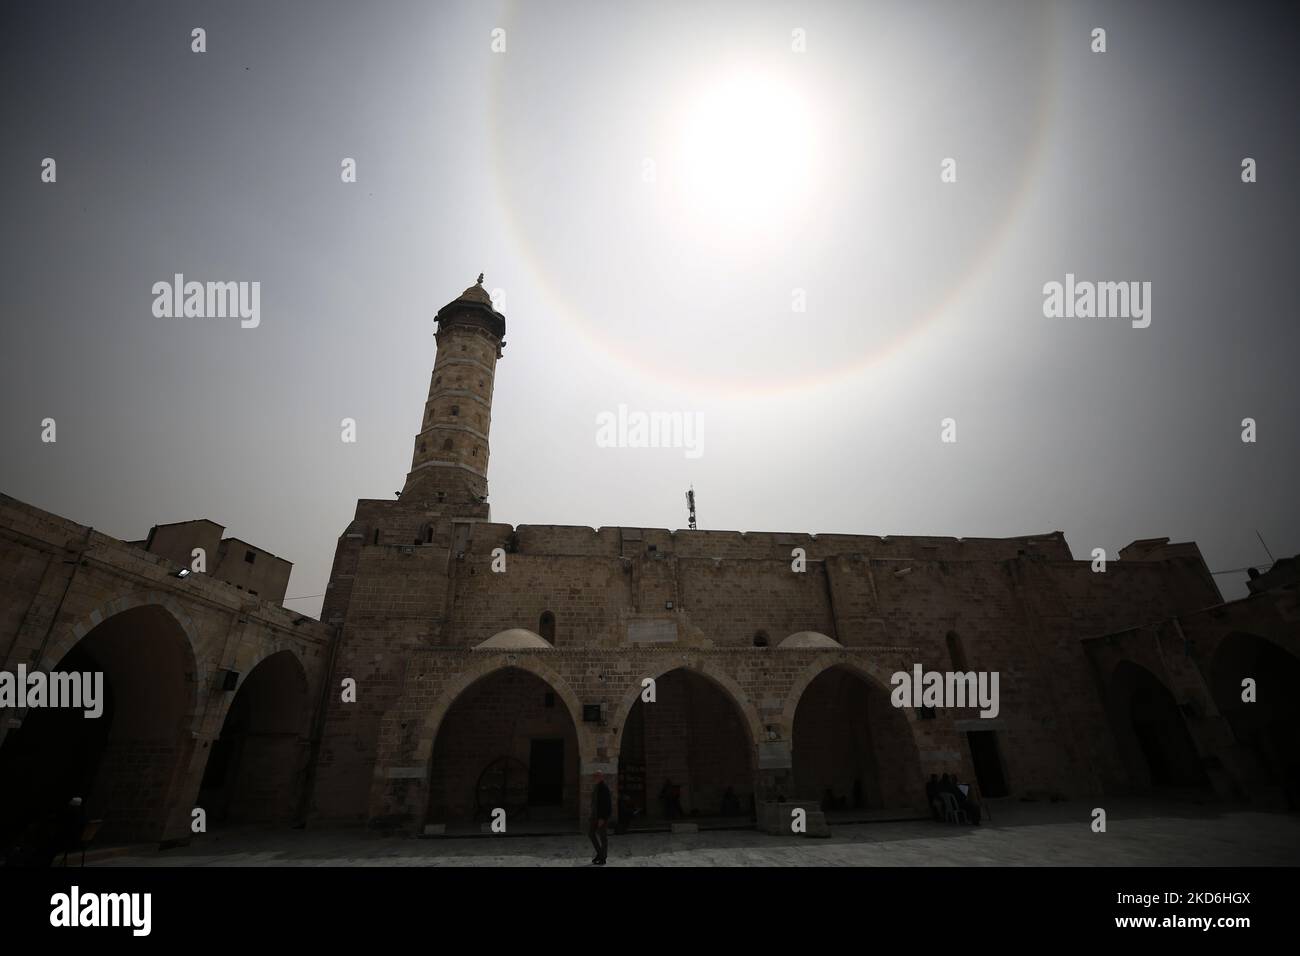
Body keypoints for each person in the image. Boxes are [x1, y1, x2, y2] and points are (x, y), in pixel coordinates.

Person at [589, 772, 612, 865]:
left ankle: (603, 858)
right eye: (594, 776)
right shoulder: (597, 787)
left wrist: (602, 818)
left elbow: (607, 805)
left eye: (597, 776)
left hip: (601, 817)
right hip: (595, 816)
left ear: (601, 777)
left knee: (603, 837)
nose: (595, 777)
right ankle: (600, 854)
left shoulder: (604, 788)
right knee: (591, 834)